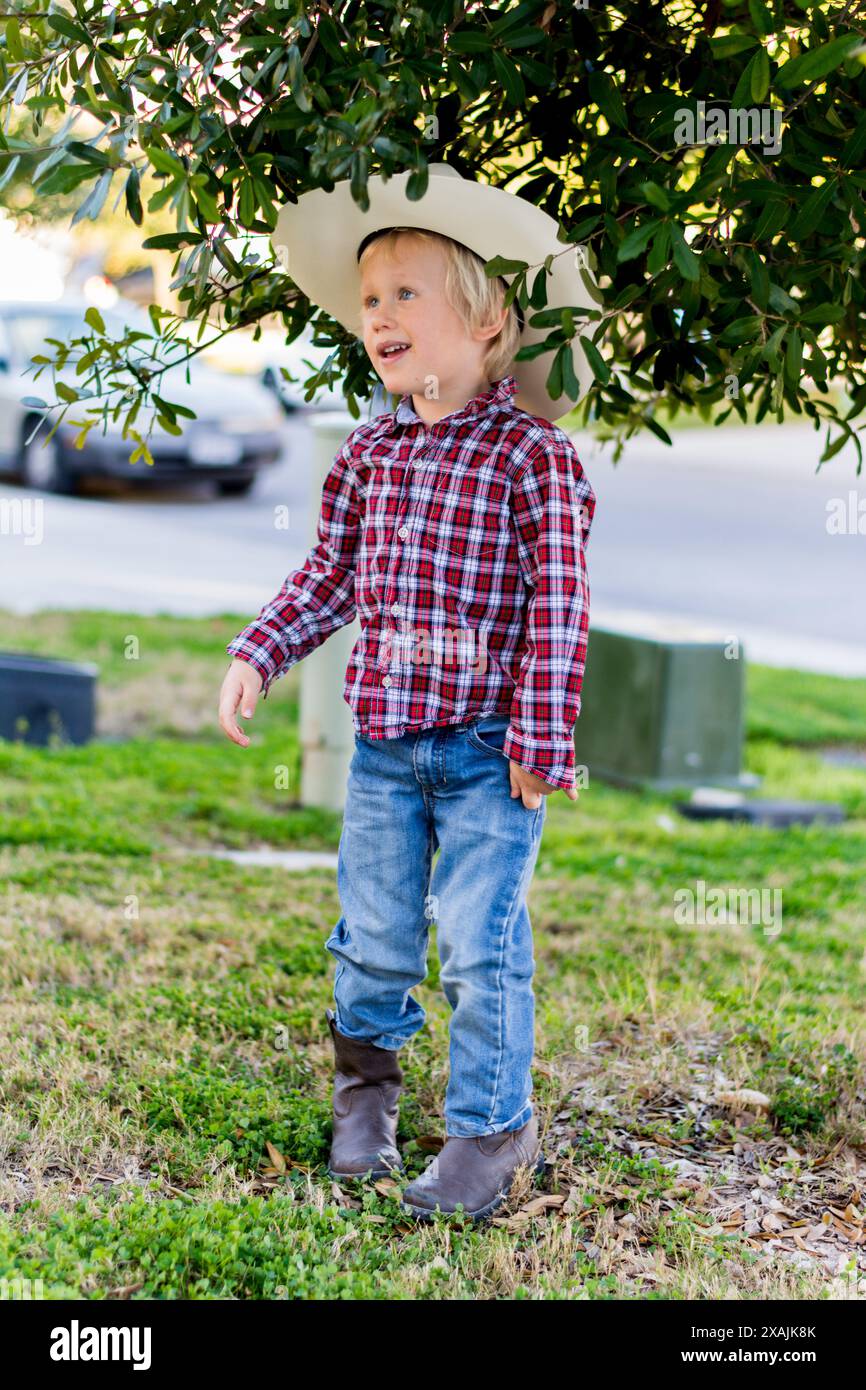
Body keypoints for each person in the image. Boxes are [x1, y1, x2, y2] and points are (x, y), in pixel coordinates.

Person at [218, 165, 598, 1222]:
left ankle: (486, 1133)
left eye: (404, 294)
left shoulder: (533, 459)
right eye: (368, 300)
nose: (377, 315)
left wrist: (540, 732)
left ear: (484, 324)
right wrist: (260, 649)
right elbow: (329, 575)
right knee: (375, 932)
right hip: (385, 746)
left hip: (488, 750)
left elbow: (560, 605)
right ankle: (365, 1099)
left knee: (481, 940)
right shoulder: (368, 456)